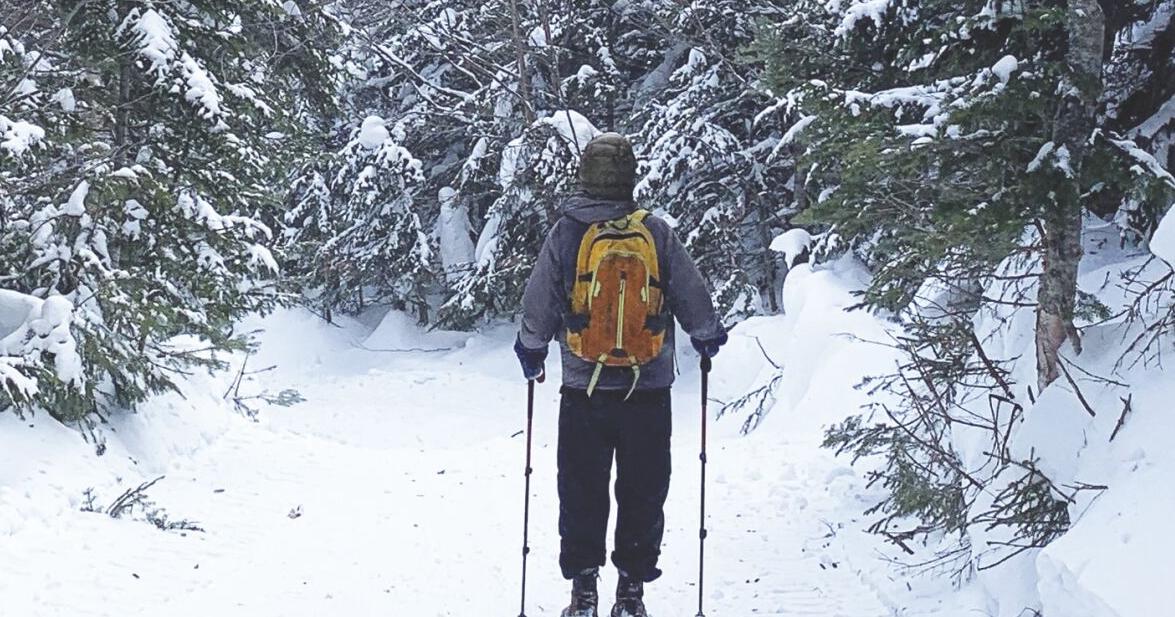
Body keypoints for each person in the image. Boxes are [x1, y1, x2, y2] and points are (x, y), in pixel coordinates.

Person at [513, 132, 727, 617]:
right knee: (644, 489)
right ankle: (631, 592)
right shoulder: (655, 231)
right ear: (630, 176)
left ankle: (583, 592)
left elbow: (539, 301)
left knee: (581, 489)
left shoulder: (565, 234)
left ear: (584, 175)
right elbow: (692, 294)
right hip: (647, 388)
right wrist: (707, 335)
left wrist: (531, 349)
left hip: (583, 388)